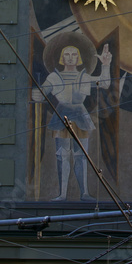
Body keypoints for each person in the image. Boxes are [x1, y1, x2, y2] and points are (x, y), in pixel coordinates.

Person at [34, 42, 112, 202]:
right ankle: (62, 194)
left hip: (80, 116)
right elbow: (43, 91)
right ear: (62, 59)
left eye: (74, 54)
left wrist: (105, 65)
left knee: (81, 156)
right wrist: (37, 94)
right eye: (67, 54)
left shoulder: (84, 77)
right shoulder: (54, 77)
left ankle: (84, 193)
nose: (70, 57)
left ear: (79, 59)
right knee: (62, 155)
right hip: (61, 116)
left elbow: (104, 83)